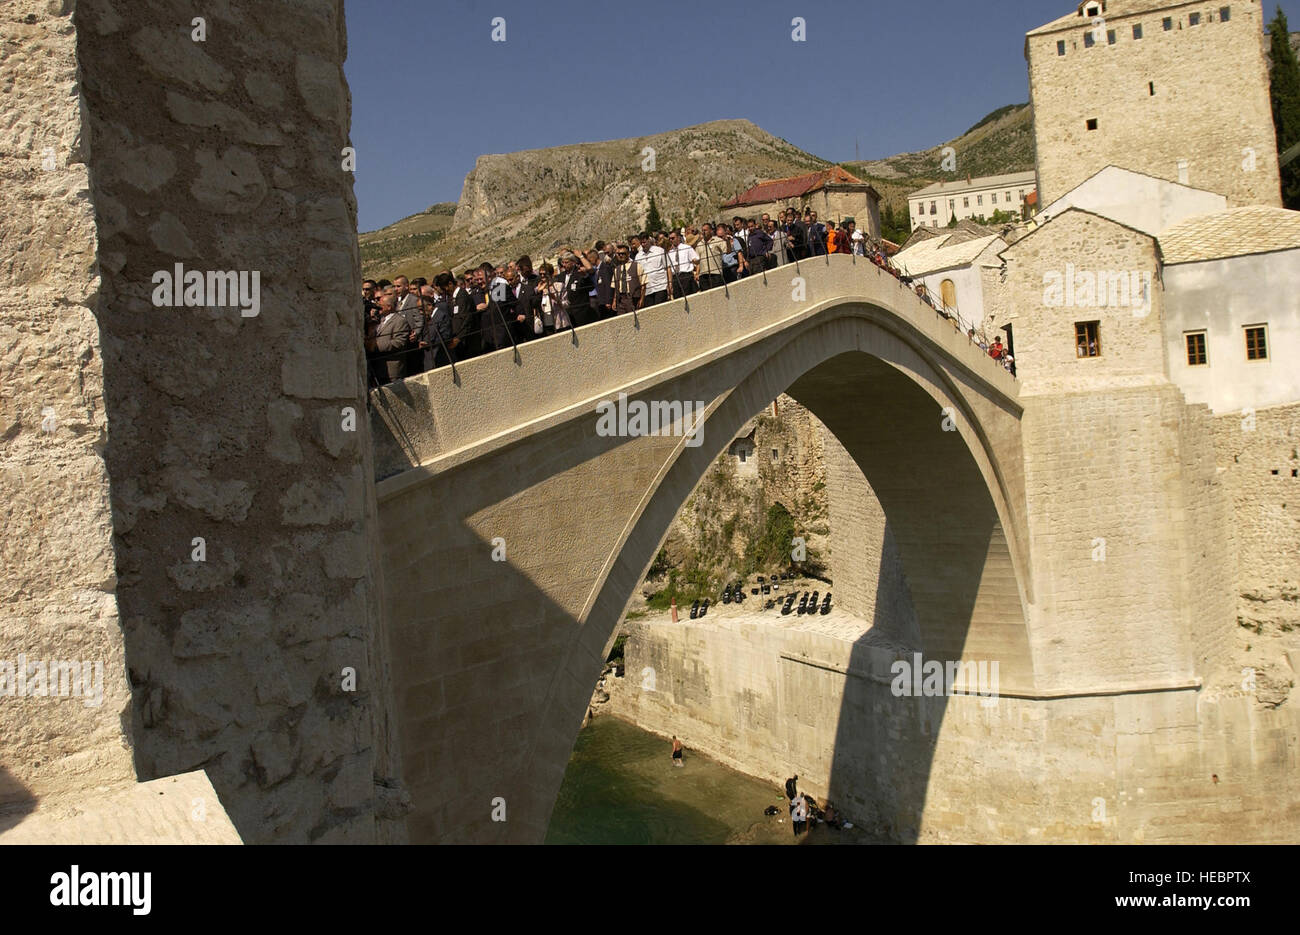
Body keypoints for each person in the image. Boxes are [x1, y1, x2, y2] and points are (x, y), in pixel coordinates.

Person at [636, 232, 671, 306]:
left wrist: (669, 283)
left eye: (644, 242)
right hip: (647, 290)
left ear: (649, 240)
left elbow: (668, 267)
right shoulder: (638, 256)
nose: (643, 245)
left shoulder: (659, 251)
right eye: (641, 243)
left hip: (660, 287)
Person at [695, 222, 728, 292]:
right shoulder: (699, 244)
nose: (704, 232)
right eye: (702, 230)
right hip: (703, 275)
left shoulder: (717, 240)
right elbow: (697, 261)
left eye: (705, 230)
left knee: (718, 294)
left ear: (711, 231)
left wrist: (727, 241)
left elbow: (727, 251)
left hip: (715, 273)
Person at [666, 230, 699, 297]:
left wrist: (694, 263)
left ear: (678, 238)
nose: (671, 240)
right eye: (670, 239)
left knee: (689, 296)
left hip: (686, 276)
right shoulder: (670, 252)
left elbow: (697, 260)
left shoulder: (687, 248)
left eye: (673, 238)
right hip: (675, 278)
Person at [611, 243, 641, 314]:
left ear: (628, 254)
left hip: (633, 298)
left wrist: (641, 299)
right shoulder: (617, 269)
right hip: (621, 299)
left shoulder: (636, 266)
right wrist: (614, 301)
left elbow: (643, 284)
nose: (620, 255)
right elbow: (616, 287)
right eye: (618, 254)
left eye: (623, 253)